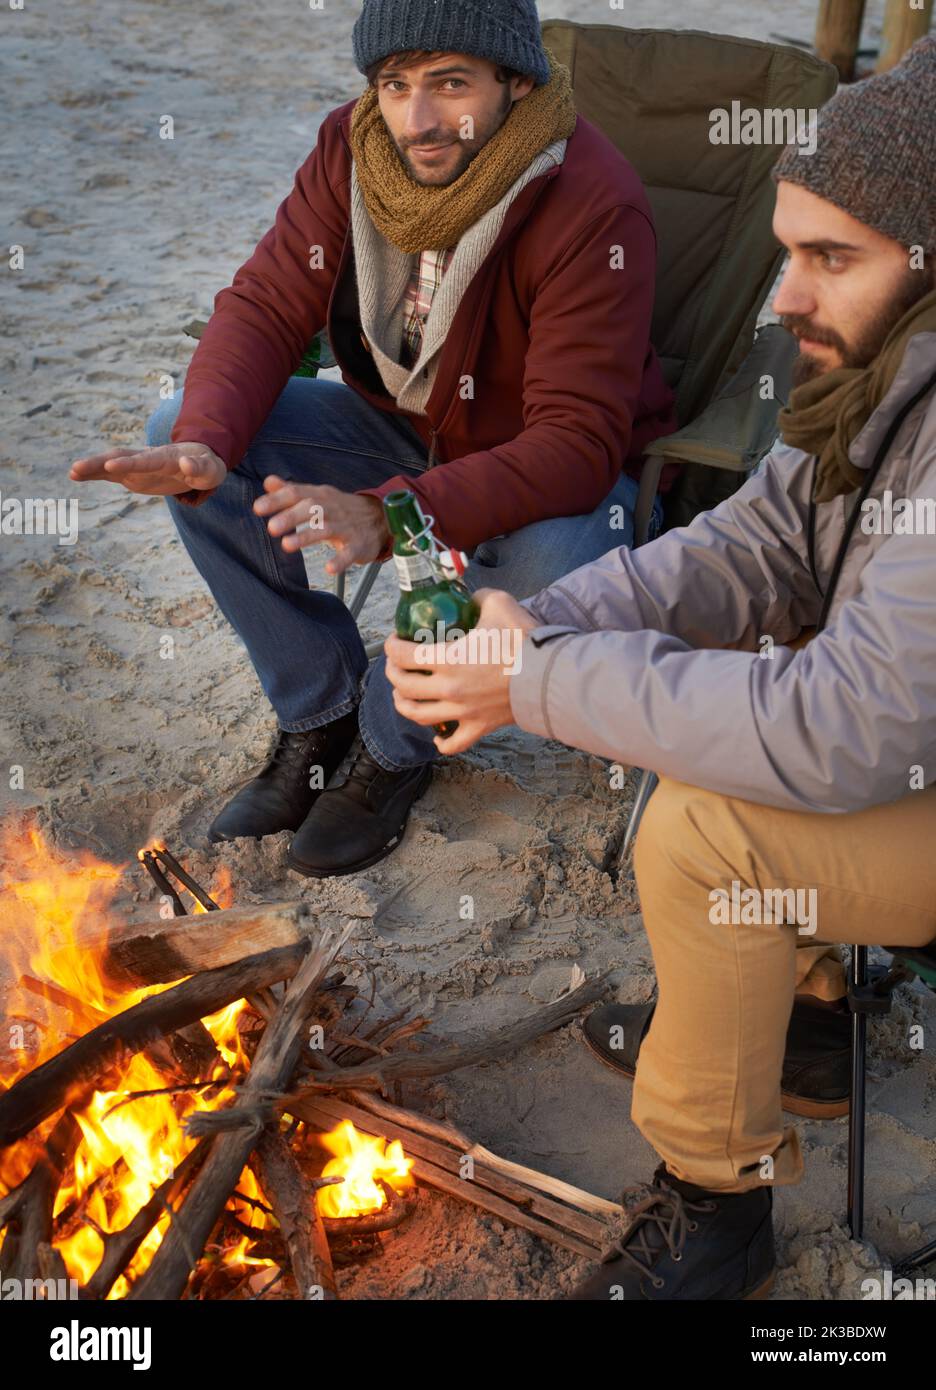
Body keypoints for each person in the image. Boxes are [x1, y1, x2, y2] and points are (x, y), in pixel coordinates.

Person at [385, 38, 936, 1299]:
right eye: (788, 250)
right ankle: (784, 1015)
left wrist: (534, 688)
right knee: (749, 641)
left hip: (908, 755)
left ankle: (714, 1198)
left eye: (832, 259)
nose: (785, 298)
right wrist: (536, 628)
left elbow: (847, 727)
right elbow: (746, 546)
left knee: (704, 829)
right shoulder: (873, 381)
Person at [68, 0, 674, 878]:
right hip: (404, 424)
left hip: (552, 473)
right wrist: (205, 442)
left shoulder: (591, 200)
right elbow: (268, 303)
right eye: (395, 86)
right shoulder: (352, 150)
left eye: (450, 84)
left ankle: (388, 752)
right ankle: (322, 715)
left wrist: (392, 517)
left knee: (547, 570)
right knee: (187, 438)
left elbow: (577, 442)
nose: (418, 119)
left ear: (514, 81)